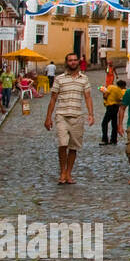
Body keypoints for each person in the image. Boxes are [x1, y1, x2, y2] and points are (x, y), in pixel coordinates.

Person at [44, 52, 94, 185]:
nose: (72, 62)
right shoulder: (59, 79)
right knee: (62, 144)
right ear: (67, 62)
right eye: (70, 60)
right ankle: (62, 171)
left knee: (73, 147)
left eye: (75, 60)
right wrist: (48, 117)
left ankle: (68, 173)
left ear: (78, 62)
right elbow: (53, 98)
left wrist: (91, 114)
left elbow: (88, 97)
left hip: (77, 116)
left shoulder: (84, 79)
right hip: (62, 115)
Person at [100, 77, 125, 145]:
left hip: (110, 107)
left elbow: (105, 96)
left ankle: (105, 139)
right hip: (116, 107)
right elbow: (121, 101)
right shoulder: (121, 91)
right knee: (114, 124)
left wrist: (103, 92)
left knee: (104, 123)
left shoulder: (111, 87)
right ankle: (113, 139)